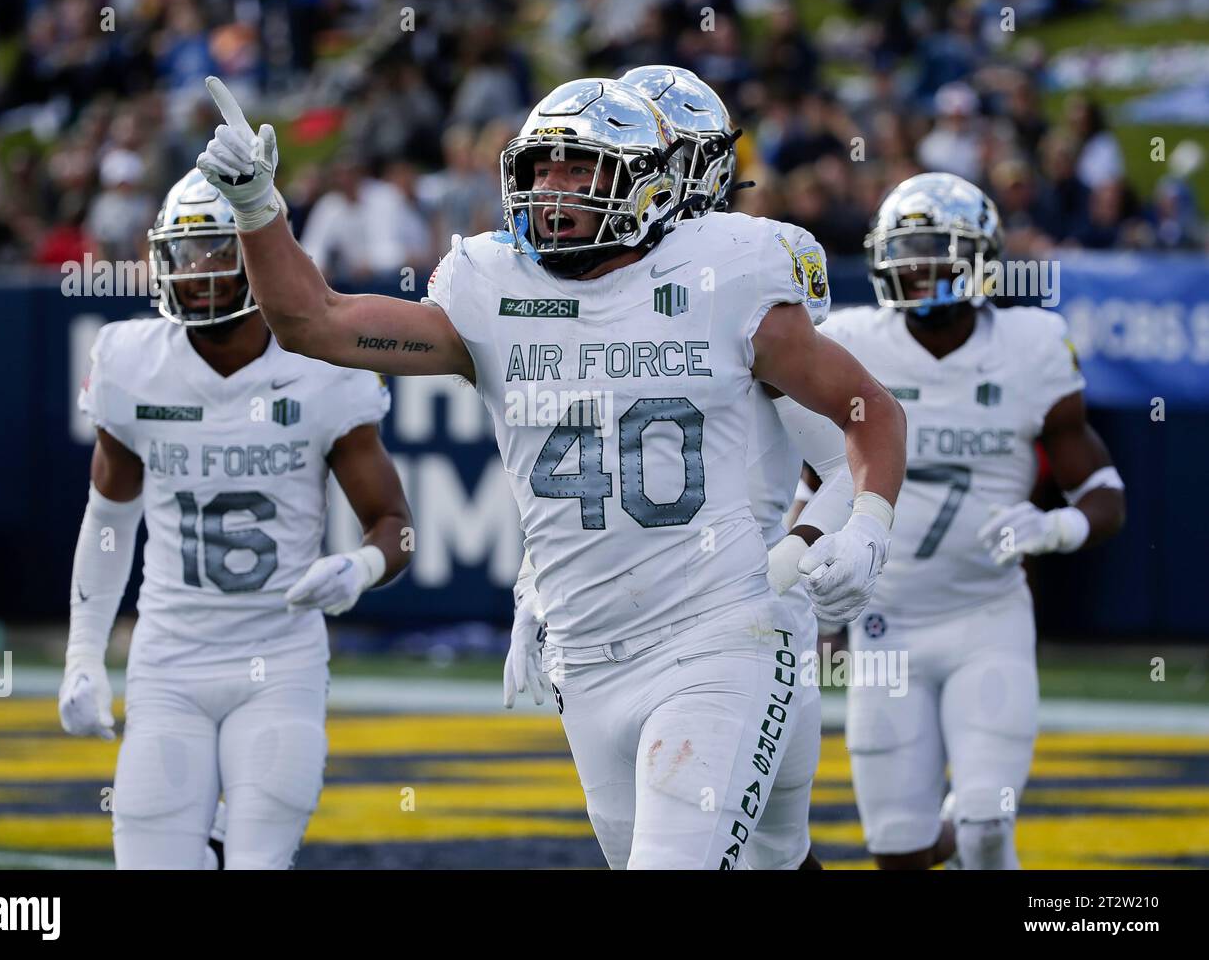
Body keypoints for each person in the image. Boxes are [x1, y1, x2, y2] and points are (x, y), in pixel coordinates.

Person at [196, 75, 906, 869]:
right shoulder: (493, 287)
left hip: (722, 634)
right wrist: (258, 208)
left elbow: (866, 409)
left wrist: (865, 526)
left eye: (578, 169)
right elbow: (312, 322)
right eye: (540, 169)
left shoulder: (725, 272)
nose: (551, 189)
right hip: (589, 656)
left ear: (652, 181)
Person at [503, 65, 858, 873]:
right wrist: (535, 584)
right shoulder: (578, 276)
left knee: (752, 853)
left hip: (733, 616)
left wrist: (794, 553)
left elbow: (846, 450)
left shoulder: (745, 265)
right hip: (612, 631)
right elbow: (594, 469)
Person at [59, 169, 412, 869]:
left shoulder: (323, 368)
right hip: (167, 659)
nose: (200, 272)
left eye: (221, 250)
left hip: (279, 661)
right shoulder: (132, 361)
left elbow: (394, 523)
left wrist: (361, 566)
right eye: (186, 253)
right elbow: (109, 519)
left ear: (260, 256)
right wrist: (82, 654)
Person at [811, 171, 1125, 870]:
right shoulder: (854, 338)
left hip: (988, 618)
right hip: (884, 626)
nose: (917, 267)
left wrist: (1058, 527)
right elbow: (811, 473)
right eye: (904, 250)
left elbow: (1102, 485)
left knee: (987, 821)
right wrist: (810, 585)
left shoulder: (1032, 344)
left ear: (981, 256)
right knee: (901, 852)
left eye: (935, 249)